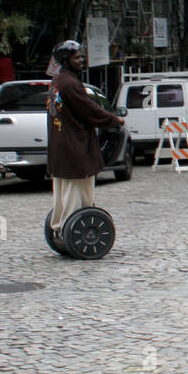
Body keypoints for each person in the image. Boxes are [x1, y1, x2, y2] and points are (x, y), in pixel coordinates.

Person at [46, 40, 125, 237]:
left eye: (81, 56)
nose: (81, 60)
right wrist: (114, 120)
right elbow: (88, 109)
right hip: (74, 146)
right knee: (77, 191)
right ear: (65, 60)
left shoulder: (56, 82)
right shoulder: (70, 84)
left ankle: (59, 224)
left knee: (63, 192)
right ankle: (70, 229)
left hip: (61, 145)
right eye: (76, 57)